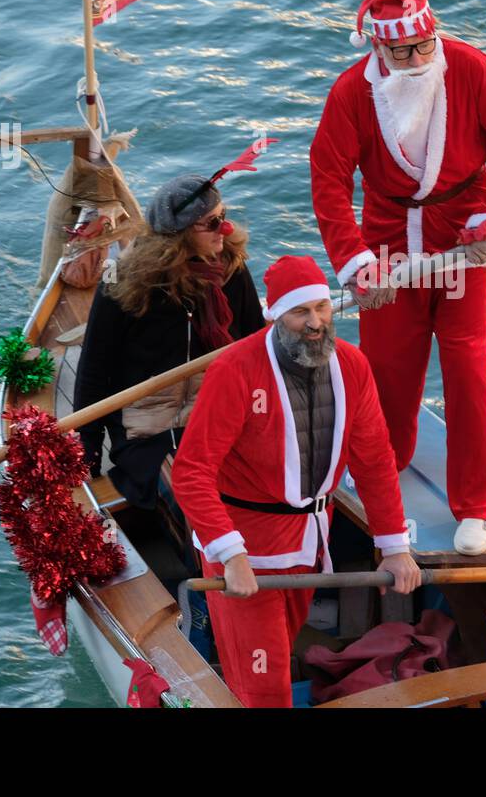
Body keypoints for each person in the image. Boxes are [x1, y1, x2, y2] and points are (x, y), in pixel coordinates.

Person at [309, 0, 486, 555]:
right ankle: (384, 464)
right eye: (401, 52)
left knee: (467, 368)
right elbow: (330, 179)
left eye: (423, 46)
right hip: (386, 240)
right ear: (378, 51)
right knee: (387, 364)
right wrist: (354, 260)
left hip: (464, 231)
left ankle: (477, 507)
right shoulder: (350, 94)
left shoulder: (471, 69)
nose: (416, 59)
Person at [169, 254, 422, 707]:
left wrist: (395, 546)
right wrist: (231, 554)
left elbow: (375, 461)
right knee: (264, 686)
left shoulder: (353, 365)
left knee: (278, 654)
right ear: (275, 316)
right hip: (247, 552)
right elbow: (191, 472)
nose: (315, 323)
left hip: (309, 547)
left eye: (322, 308)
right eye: (300, 312)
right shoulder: (236, 371)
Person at [73, 152, 265, 539]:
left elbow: (254, 346)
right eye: (211, 224)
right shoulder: (125, 285)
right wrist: (87, 455)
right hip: (150, 430)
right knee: (194, 501)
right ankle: (209, 584)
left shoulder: (230, 271)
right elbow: (95, 369)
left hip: (216, 417)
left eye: (223, 217)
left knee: (261, 483)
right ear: (179, 235)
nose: (224, 230)